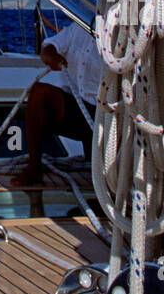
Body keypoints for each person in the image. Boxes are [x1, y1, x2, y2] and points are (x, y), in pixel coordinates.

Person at [11, 11, 102, 186]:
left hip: (105, 118)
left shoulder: (123, 36)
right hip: (75, 111)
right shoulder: (78, 29)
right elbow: (50, 45)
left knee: (102, 181)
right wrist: (51, 55)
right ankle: (34, 168)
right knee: (39, 92)